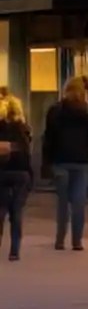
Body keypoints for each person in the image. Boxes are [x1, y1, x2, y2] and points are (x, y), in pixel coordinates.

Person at [43, 76, 88, 251]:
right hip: (82, 162)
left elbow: (49, 137)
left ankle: (60, 240)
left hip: (61, 161)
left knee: (62, 203)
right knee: (79, 203)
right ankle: (77, 241)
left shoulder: (55, 110)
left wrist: (48, 161)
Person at [0, 95, 34, 261]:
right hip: (21, 173)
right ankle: (14, 251)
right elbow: (27, 154)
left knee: (0, 211)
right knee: (17, 212)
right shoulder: (24, 128)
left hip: (2, 172)